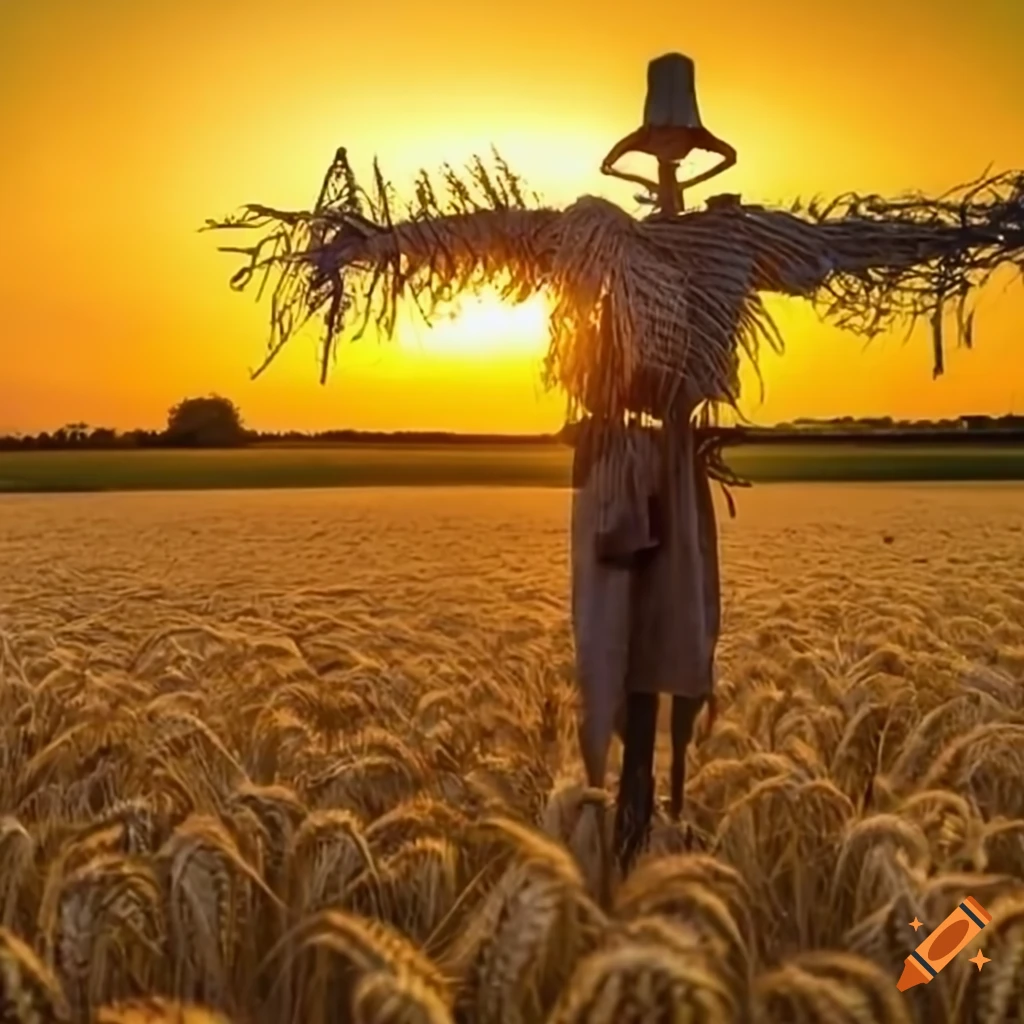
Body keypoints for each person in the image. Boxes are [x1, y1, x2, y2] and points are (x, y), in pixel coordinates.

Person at [572, 52, 736, 878]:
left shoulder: (722, 246)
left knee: (678, 637)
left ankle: (658, 803)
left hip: (673, 461)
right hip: (622, 466)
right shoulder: (609, 245)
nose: (670, 163)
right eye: (662, 147)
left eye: (680, 147)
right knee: (620, 647)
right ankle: (632, 805)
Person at [599, 52, 737, 217]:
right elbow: (607, 167)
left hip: (670, 183)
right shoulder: (662, 135)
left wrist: (686, 183)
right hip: (667, 185)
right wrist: (649, 183)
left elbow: (607, 166)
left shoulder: (687, 134)